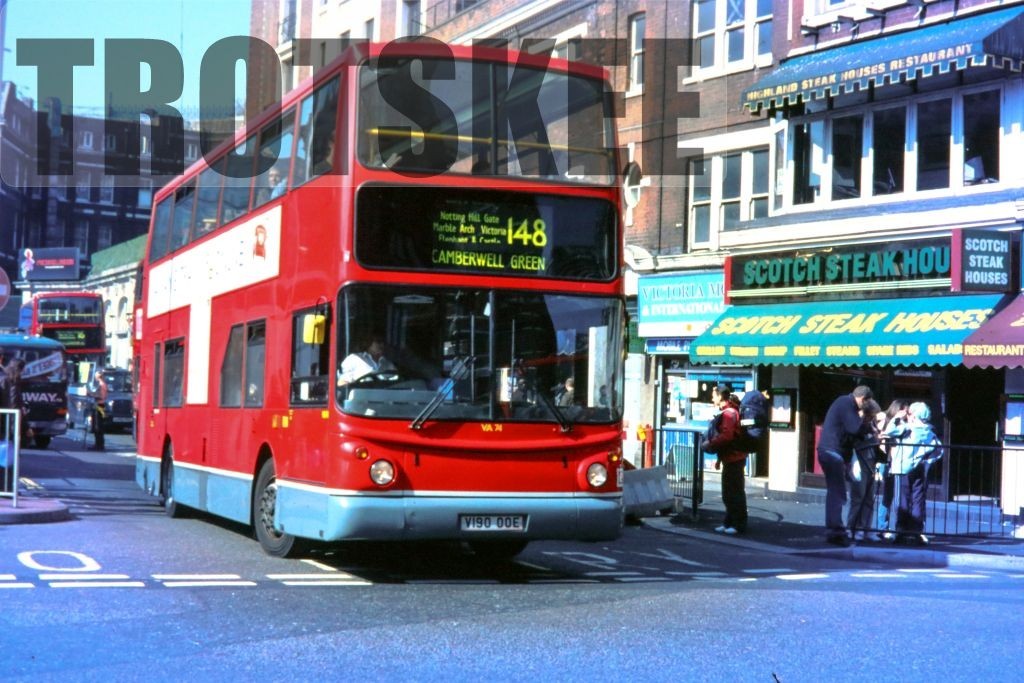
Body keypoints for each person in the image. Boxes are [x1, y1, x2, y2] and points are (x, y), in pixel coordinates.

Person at [817, 385, 875, 546]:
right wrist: (867, 424)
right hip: (831, 452)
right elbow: (855, 428)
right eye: (867, 402)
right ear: (863, 398)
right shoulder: (845, 403)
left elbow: (850, 434)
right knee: (837, 492)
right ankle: (835, 530)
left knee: (836, 491)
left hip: (832, 451)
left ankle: (834, 529)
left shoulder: (845, 404)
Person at [884, 401, 942, 546]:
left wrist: (896, 417)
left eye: (909, 413)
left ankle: (901, 532)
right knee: (917, 500)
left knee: (901, 501)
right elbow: (939, 450)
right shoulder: (929, 432)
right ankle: (916, 532)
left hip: (902, 469)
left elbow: (889, 430)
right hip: (920, 469)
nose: (907, 416)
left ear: (914, 416)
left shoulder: (907, 429)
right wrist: (926, 461)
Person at [701, 384, 747, 535]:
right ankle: (729, 523)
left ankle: (738, 525)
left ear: (720, 396)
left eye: (713, 395)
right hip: (731, 457)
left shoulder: (729, 414)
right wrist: (720, 459)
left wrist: (710, 443)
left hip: (734, 458)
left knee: (734, 492)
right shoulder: (729, 412)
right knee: (729, 492)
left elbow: (727, 436)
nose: (712, 398)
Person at [874, 399, 909, 540]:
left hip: (893, 462)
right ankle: (882, 527)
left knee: (890, 495)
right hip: (887, 461)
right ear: (898, 410)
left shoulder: (901, 423)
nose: (906, 414)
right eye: (904, 411)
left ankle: (884, 527)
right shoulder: (887, 420)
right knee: (888, 495)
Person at [847, 398, 881, 542]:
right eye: (871, 416)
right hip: (860, 463)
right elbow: (854, 442)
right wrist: (873, 437)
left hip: (870, 463)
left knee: (869, 498)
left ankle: (865, 528)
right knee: (858, 498)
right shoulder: (857, 425)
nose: (873, 419)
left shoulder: (871, 426)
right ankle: (852, 528)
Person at [87, 369, 108, 451]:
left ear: (98, 376)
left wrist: (90, 394)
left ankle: (99, 444)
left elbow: (101, 397)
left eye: (96, 376)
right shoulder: (101, 384)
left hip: (99, 406)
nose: (95, 377)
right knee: (97, 425)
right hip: (98, 405)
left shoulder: (101, 385)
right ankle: (98, 443)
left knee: (98, 425)